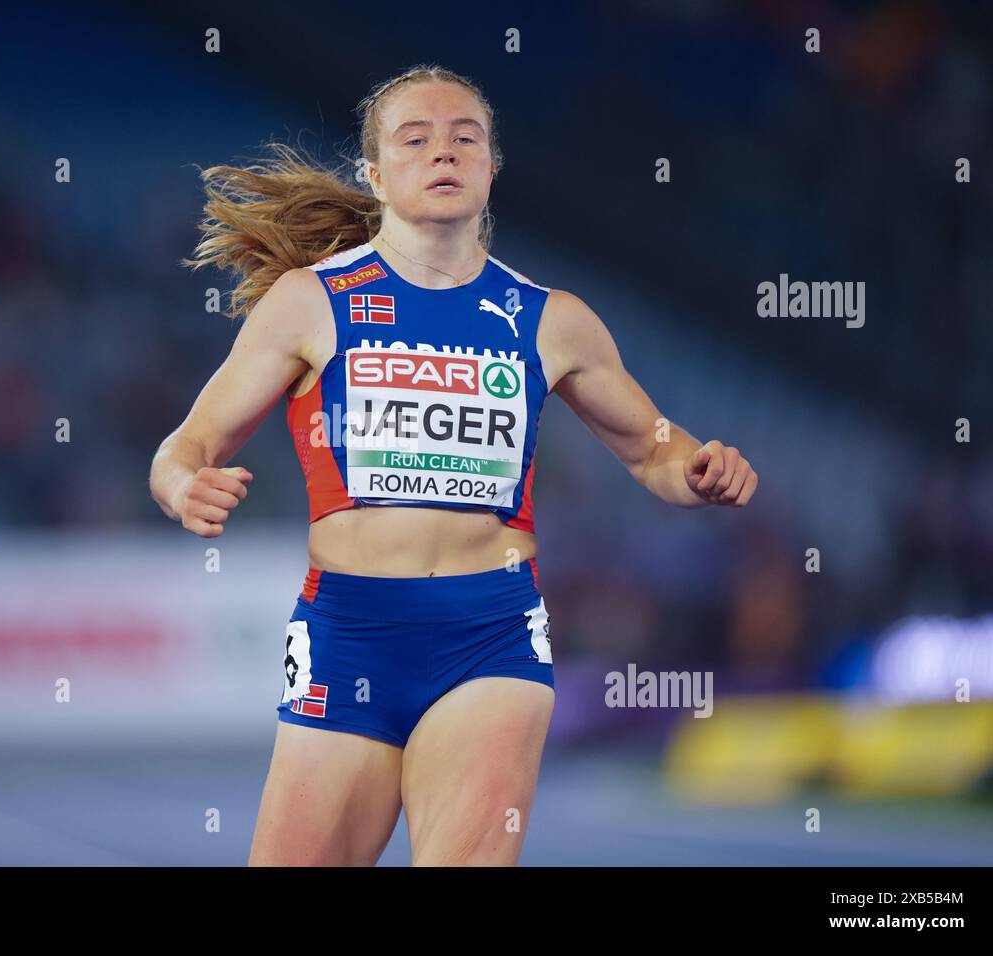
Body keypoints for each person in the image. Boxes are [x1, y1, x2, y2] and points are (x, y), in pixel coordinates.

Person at [150, 64, 757, 866]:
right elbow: (184, 448)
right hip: (348, 636)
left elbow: (654, 447)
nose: (445, 151)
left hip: (491, 636)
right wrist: (186, 486)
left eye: (465, 137)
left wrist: (699, 470)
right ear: (373, 172)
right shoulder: (309, 301)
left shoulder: (553, 320)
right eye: (416, 138)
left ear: (492, 165)